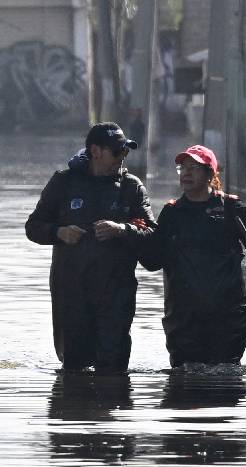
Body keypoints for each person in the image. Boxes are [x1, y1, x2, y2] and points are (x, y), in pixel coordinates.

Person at [25, 122, 156, 374]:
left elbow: (152, 234)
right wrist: (59, 232)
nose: (123, 157)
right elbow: (33, 227)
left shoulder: (132, 188)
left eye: (126, 151)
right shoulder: (63, 182)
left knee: (114, 371)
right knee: (74, 369)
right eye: (118, 152)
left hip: (116, 293)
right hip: (72, 293)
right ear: (96, 151)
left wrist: (122, 229)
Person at [139, 145, 246, 368]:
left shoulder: (231, 208)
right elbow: (153, 260)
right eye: (183, 168)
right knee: (184, 382)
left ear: (210, 174)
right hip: (183, 319)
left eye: (194, 168)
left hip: (227, 316)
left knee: (225, 380)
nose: (186, 173)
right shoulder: (172, 213)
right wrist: (133, 235)